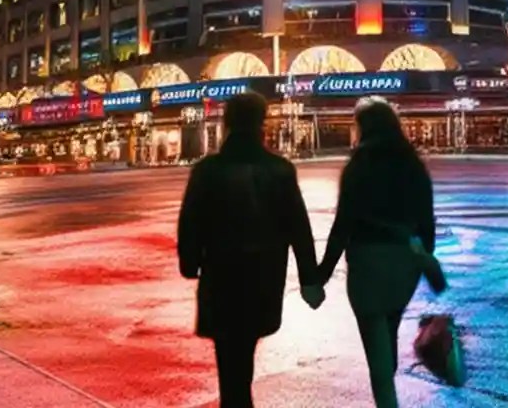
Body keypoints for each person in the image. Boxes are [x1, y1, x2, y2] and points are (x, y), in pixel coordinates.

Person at [177, 92, 325, 408]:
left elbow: (190, 222)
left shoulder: (208, 170)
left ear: (227, 124)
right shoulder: (280, 170)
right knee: (243, 356)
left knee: (230, 361)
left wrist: (190, 263)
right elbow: (299, 229)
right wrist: (310, 279)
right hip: (264, 278)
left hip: (221, 278)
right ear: (261, 124)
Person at [319, 98, 437, 408]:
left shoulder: (358, 167)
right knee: (390, 326)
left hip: (366, 262)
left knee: (375, 342)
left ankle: (386, 397)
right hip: (403, 264)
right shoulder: (413, 166)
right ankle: (388, 384)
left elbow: (342, 225)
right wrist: (423, 259)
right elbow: (427, 222)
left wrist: (320, 275)